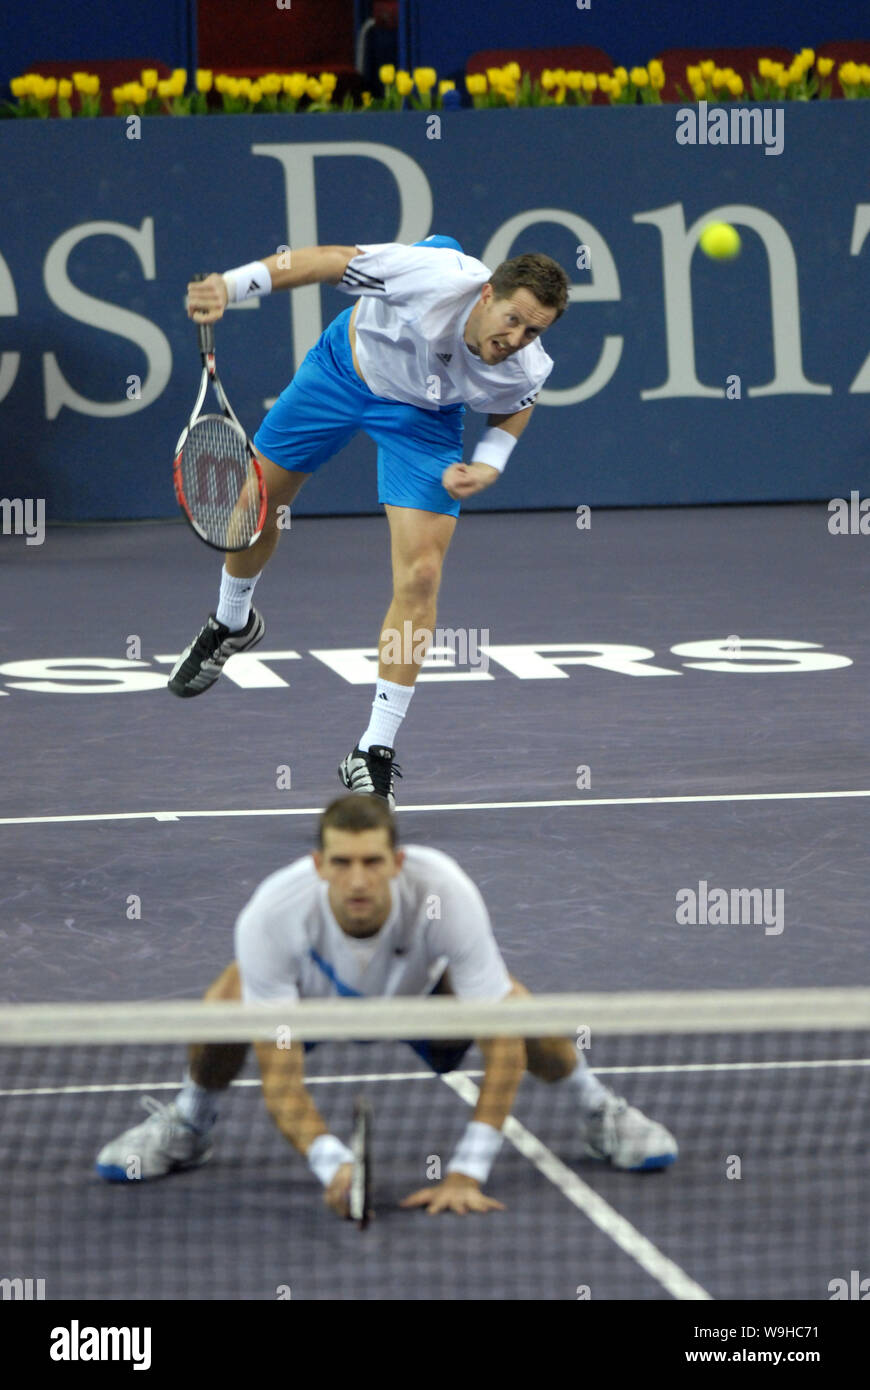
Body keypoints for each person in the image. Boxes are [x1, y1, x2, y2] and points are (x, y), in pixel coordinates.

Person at [96, 797, 678, 1215]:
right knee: (226, 999)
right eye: (342, 863)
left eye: (372, 862)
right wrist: (334, 1166)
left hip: (422, 1001)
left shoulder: (445, 893)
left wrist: (467, 1170)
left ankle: (599, 1110)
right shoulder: (273, 914)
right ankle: (191, 1124)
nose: (357, 880)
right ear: (319, 865)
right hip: (311, 1007)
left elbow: (503, 1041)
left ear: (398, 863)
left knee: (516, 1008)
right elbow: (281, 1079)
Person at [168, 236, 569, 806]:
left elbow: (514, 405)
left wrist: (487, 462)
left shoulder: (526, 362)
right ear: (485, 295)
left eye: (534, 331)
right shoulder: (430, 276)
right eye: (513, 321)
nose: (517, 340)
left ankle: (372, 750)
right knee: (252, 516)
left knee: (421, 576)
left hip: (422, 420)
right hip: (340, 373)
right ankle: (232, 621)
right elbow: (327, 261)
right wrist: (233, 285)